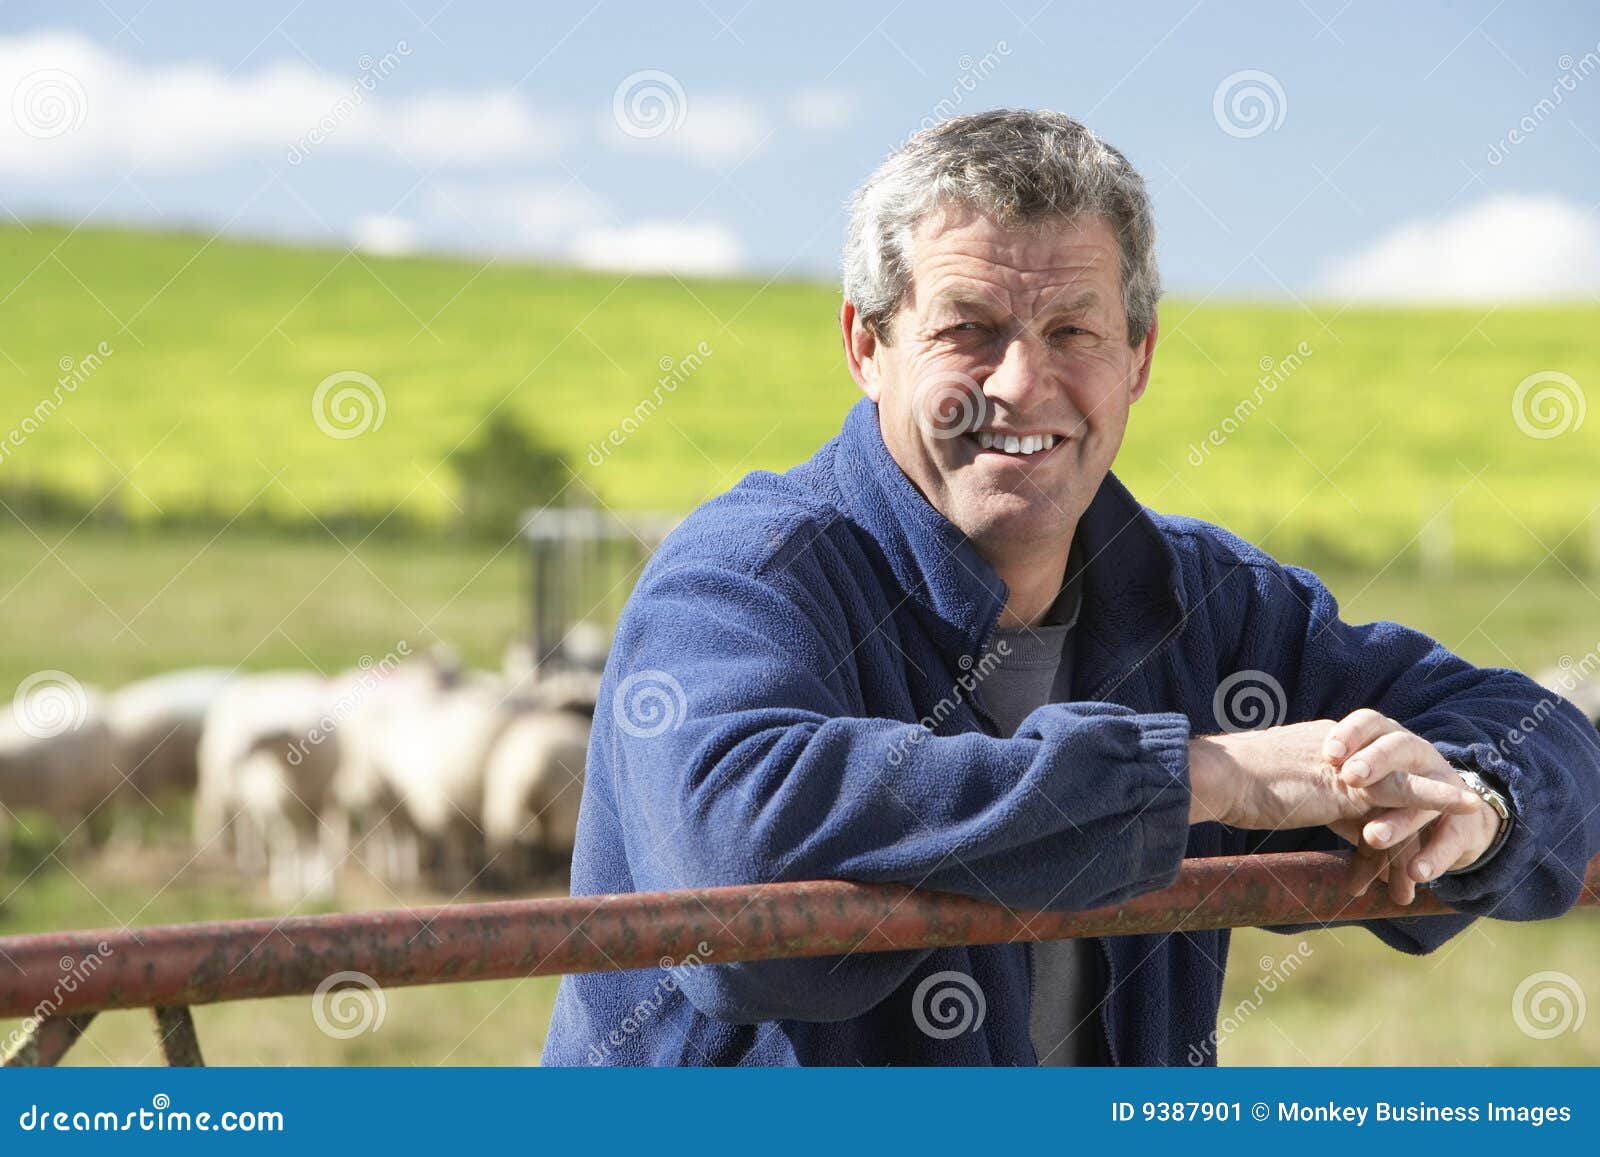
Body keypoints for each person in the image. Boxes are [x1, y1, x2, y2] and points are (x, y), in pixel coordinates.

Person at [542, 109, 1600, 1066]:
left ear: (1136, 358)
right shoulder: (745, 578)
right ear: (867, 344)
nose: (1019, 383)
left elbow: (1541, 727)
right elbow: (737, 845)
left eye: (1071, 333)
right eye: (968, 329)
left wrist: (1480, 801)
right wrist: (1199, 778)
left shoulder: (1207, 602)